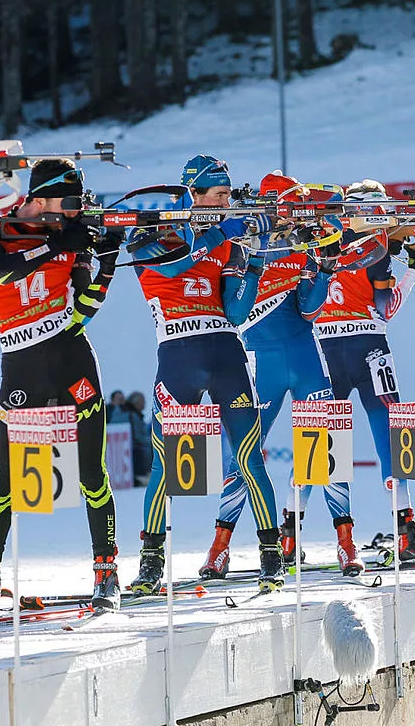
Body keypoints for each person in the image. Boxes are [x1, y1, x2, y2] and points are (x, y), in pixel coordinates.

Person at [0, 158, 122, 616]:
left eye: (77, 204)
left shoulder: (71, 233)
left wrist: (104, 263)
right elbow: (3, 269)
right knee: (2, 482)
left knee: (93, 474)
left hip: (71, 358)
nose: (74, 211)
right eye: (68, 202)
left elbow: (84, 309)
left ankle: (106, 573)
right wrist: (58, 245)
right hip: (20, 367)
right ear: (40, 198)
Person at [130, 155, 283, 593]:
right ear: (193, 193)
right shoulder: (154, 229)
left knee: (250, 460)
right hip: (178, 355)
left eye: (228, 195)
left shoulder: (226, 238)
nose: (225, 202)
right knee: (166, 466)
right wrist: (219, 233)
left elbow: (235, 311)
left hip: (224, 353)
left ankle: (270, 554)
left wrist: (252, 262)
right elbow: (171, 266)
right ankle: (151, 561)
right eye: (217, 195)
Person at [198, 172, 361, 579]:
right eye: (290, 207)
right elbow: (232, 307)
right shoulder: (244, 242)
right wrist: (252, 261)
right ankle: (220, 547)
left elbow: (310, 310)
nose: (295, 218)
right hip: (258, 363)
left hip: (306, 358)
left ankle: (346, 543)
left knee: (325, 452)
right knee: (242, 457)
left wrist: (323, 269)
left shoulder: (304, 244)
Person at [314, 180, 415, 563]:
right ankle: (406, 534)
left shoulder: (321, 241)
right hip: (370, 347)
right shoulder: (377, 251)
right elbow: (388, 307)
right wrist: (414, 268)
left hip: (323, 348)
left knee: (320, 445)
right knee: (393, 438)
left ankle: (292, 534)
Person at [126, 391, 152, 486]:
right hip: (137, 445)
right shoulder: (133, 416)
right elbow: (137, 436)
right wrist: (151, 441)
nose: (144, 404)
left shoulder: (137, 415)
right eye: (142, 401)